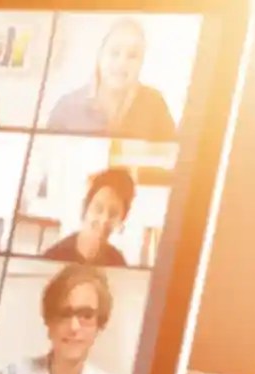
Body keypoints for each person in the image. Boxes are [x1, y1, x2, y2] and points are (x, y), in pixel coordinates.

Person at [0, 263, 128, 374]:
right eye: (64, 314)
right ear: (49, 321)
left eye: (86, 315)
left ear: (99, 324)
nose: (74, 327)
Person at [46, 18, 177, 140]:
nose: (122, 63)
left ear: (141, 62)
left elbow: (172, 157)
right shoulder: (66, 107)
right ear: (100, 55)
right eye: (114, 53)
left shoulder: (155, 105)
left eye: (132, 56)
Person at [42, 168, 133, 266]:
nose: (104, 220)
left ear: (122, 219)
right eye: (98, 209)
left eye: (113, 213)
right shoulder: (53, 258)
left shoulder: (118, 263)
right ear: (85, 208)